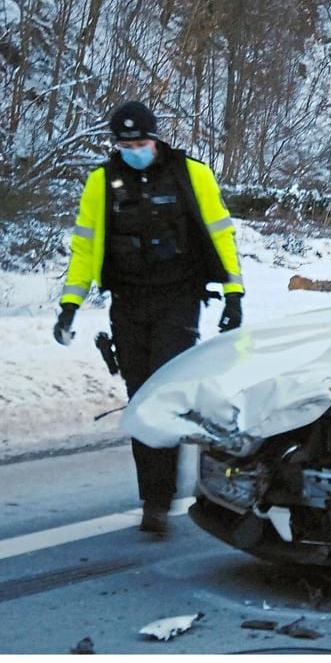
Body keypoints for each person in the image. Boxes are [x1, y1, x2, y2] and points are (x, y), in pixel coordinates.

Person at [53, 101, 244, 535]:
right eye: (125, 144)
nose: (134, 150)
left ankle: (164, 497)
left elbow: (221, 233)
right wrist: (70, 304)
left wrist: (234, 292)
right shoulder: (102, 182)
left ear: (155, 139)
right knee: (141, 400)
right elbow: (85, 248)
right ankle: (152, 499)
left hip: (178, 298)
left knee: (166, 395)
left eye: (140, 142)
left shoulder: (191, 174)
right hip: (129, 301)